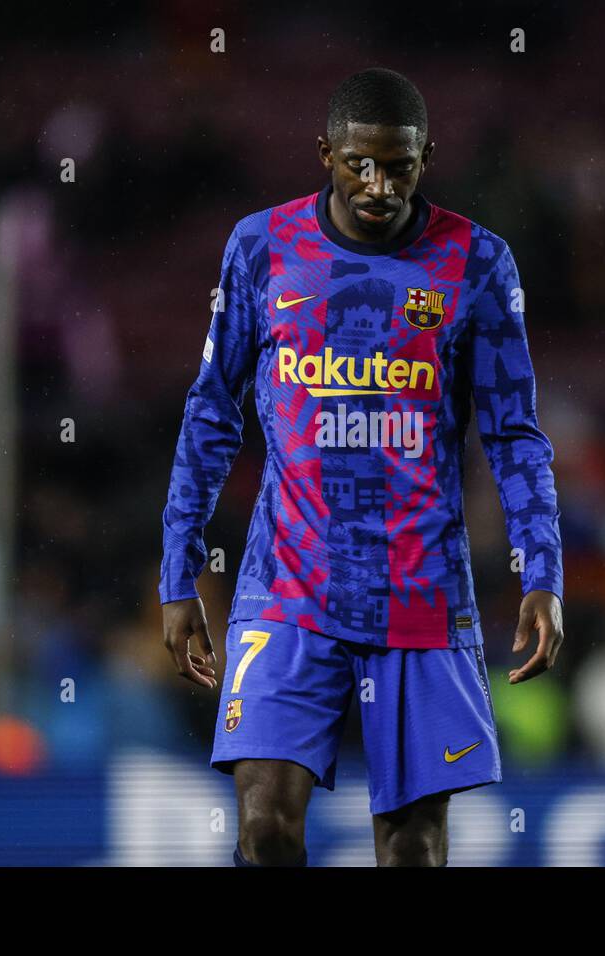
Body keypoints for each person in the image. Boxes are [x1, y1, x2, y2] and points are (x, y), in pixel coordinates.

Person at [159, 67, 564, 866]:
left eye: (400, 166)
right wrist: (178, 573)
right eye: (358, 163)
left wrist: (543, 571)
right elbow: (212, 412)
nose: (379, 184)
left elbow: (515, 433)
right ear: (325, 154)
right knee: (265, 828)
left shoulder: (478, 263)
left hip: (420, 592)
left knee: (411, 849)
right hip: (288, 586)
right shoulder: (262, 248)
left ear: (427, 159)